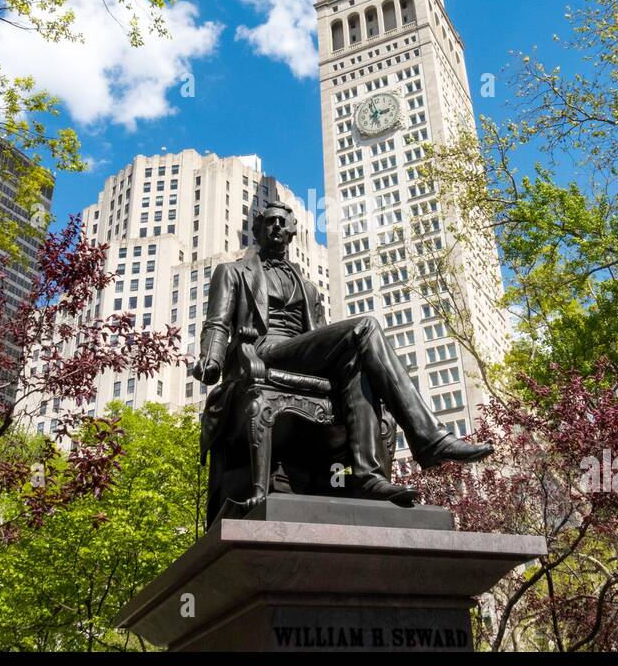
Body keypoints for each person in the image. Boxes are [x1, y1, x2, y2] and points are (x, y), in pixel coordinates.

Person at [191, 201, 493, 506]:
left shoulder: (308, 288)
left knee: (356, 366)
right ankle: (430, 439)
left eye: (283, 222)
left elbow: (319, 334)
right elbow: (216, 323)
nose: (277, 227)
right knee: (365, 327)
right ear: (257, 230)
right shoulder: (232, 272)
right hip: (264, 350)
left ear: (292, 233)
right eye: (270, 222)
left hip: (302, 353)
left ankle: (369, 477)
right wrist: (211, 360)